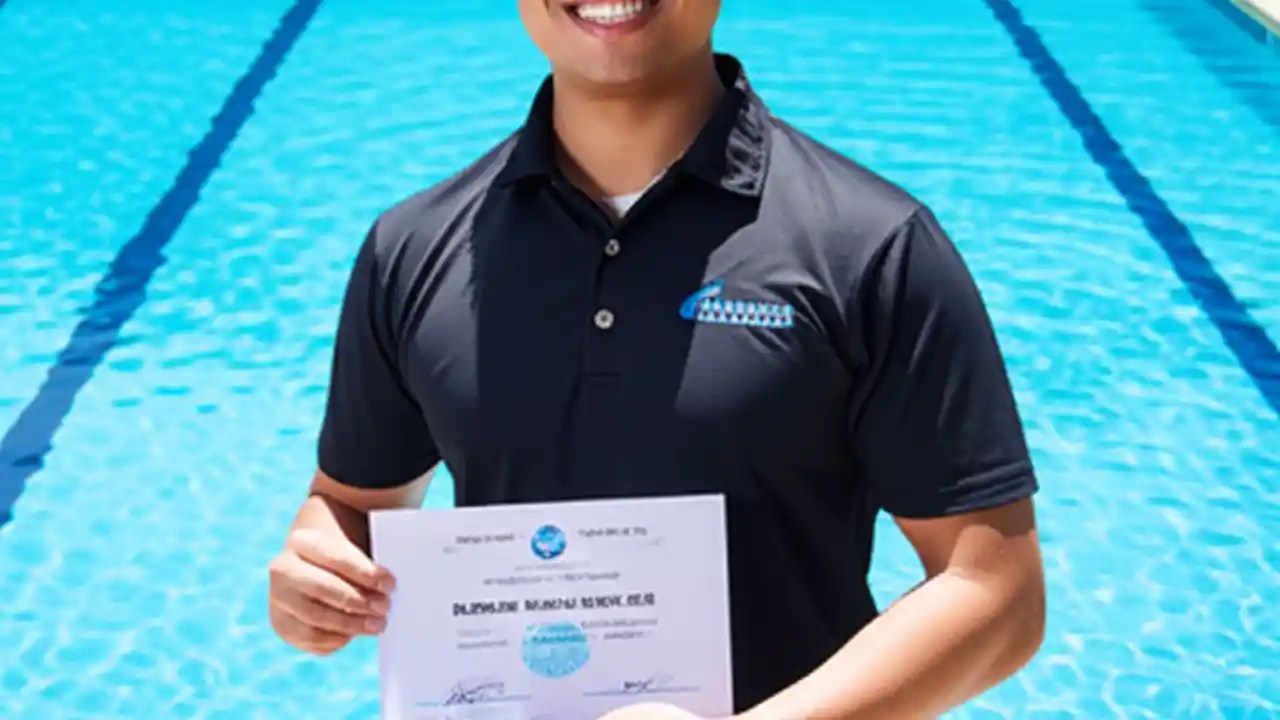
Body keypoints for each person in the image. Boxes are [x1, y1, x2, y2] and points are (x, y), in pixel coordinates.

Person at [267, 1, 1046, 717]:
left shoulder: (871, 246)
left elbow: (995, 593)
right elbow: (350, 504)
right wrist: (319, 569)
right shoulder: (413, 249)